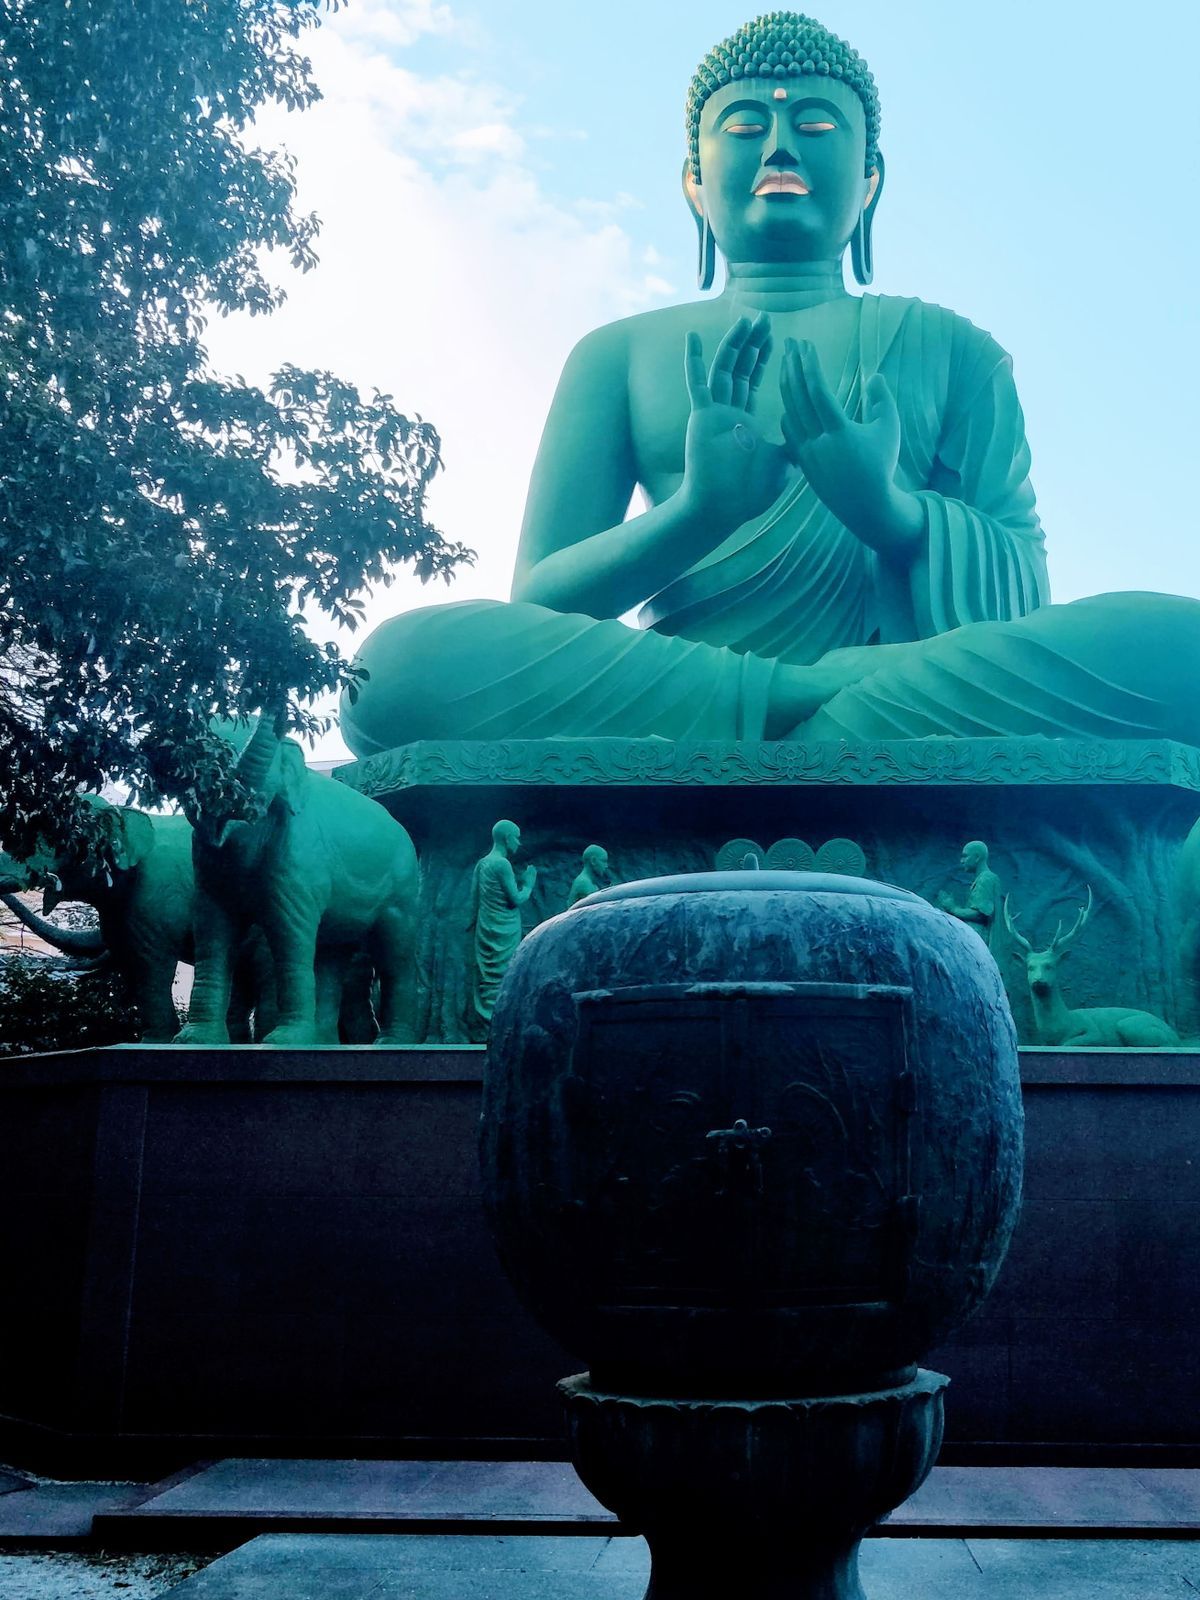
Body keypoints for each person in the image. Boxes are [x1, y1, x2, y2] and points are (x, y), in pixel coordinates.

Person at [340, 13, 1200, 758]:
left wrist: (893, 516)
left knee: (1184, 655)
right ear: (692, 178)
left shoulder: (955, 348)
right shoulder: (618, 354)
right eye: (745, 125)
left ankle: (782, 714)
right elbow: (544, 600)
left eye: (819, 128)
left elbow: (1020, 590)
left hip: (872, 689)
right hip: (704, 684)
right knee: (388, 675)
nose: (780, 147)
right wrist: (697, 515)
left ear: (870, 180)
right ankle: (807, 706)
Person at [467, 820, 536, 1022]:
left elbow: (474, 899)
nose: (519, 843)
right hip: (505, 928)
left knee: (487, 976)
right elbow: (516, 899)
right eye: (517, 837)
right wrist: (529, 884)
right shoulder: (502, 863)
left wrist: (472, 925)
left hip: (485, 927)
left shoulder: (483, 863)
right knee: (504, 973)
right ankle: (499, 1020)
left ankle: (484, 1022)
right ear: (508, 838)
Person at [938, 841, 1000, 948]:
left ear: (977, 857)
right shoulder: (983, 878)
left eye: (965, 856)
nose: (961, 861)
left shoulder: (986, 879)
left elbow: (980, 914)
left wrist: (953, 908)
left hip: (978, 942)